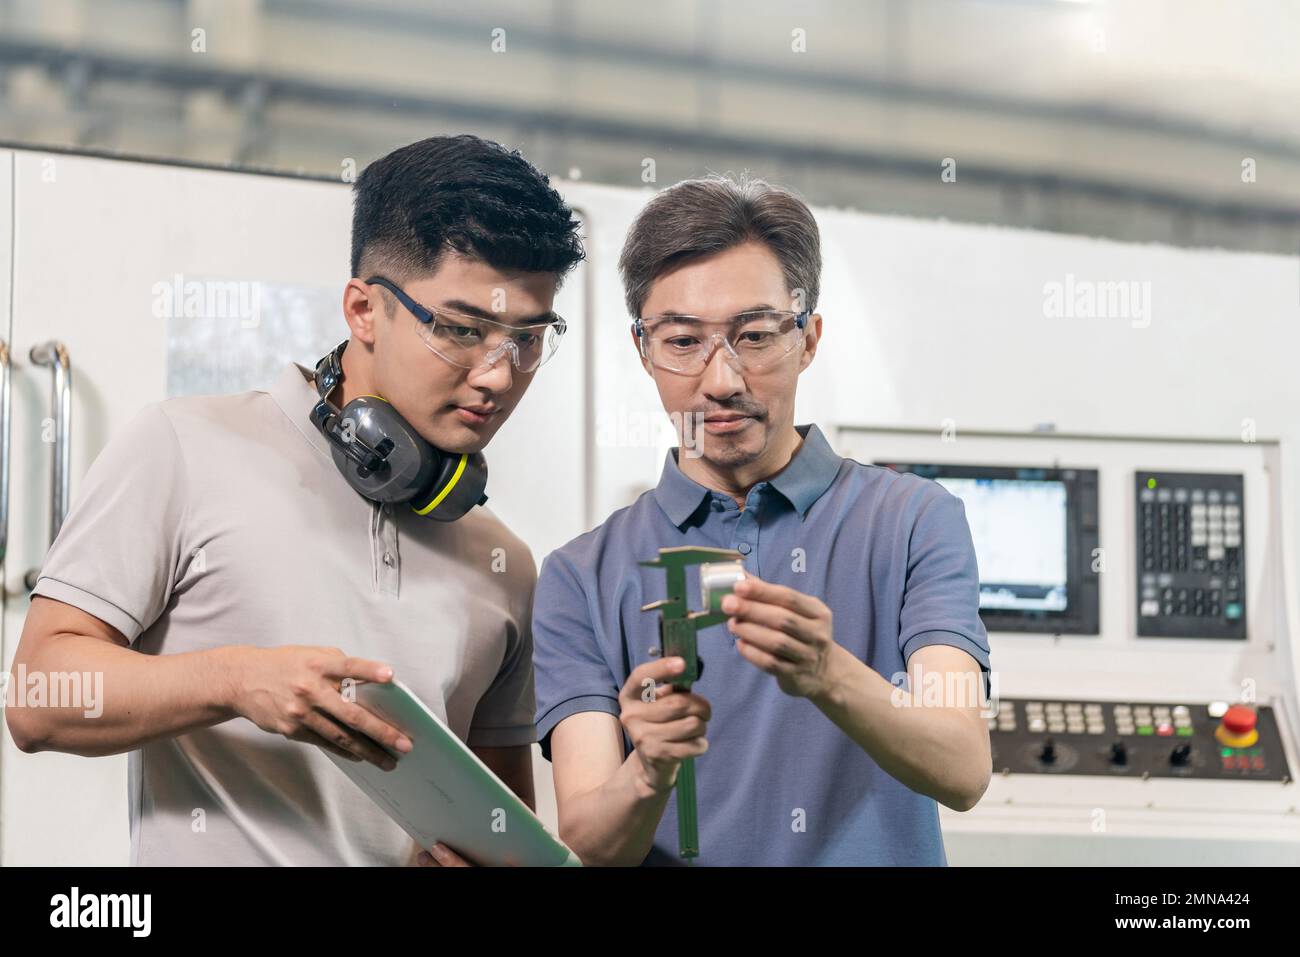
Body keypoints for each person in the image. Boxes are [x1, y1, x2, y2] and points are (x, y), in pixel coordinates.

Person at [6, 134, 584, 866]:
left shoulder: (505, 565)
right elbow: (35, 696)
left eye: (527, 340)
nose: (499, 376)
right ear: (364, 310)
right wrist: (236, 678)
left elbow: (502, 833)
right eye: (463, 330)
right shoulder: (182, 446)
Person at [531, 173, 993, 866]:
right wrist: (648, 769)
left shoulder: (915, 521)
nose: (722, 380)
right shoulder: (579, 576)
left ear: (807, 339)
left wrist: (828, 673)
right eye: (683, 341)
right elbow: (588, 844)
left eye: (754, 334)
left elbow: (964, 763)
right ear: (643, 349)